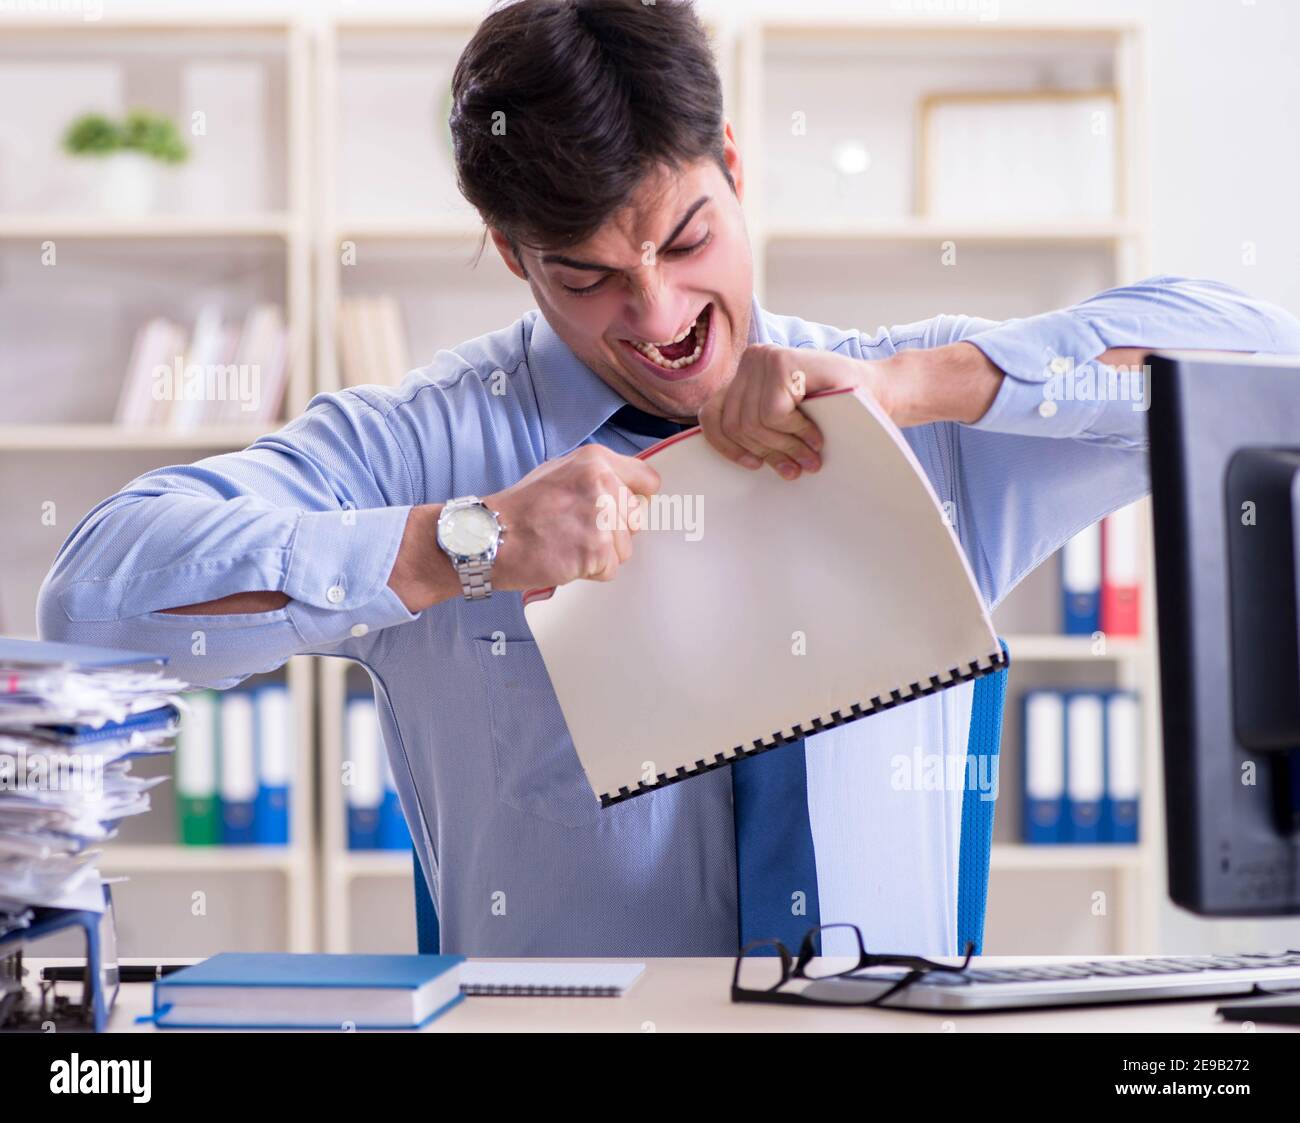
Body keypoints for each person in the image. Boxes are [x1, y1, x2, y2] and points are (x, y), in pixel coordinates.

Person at [38, 0, 1300, 956]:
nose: (658, 316)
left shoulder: (915, 410)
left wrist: (923, 387)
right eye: (583, 275)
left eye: (687, 240)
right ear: (508, 253)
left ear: (736, 168)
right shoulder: (425, 445)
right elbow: (93, 602)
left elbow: (1265, 358)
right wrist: (457, 547)